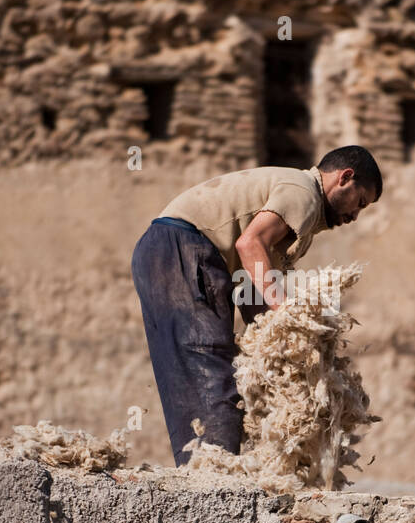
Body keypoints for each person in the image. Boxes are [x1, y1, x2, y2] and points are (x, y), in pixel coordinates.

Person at [131, 144, 383, 465]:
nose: (355, 216)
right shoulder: (303, 193)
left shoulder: (300, 221)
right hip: (181, 248)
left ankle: (209, 471)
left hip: (176, 253)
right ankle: (211, 479)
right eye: (360, 202)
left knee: (217, 370)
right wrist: (290, 321)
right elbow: (249, 244)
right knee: (207, 368)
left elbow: (254, 287)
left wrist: (276, 351)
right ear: (345, 178)